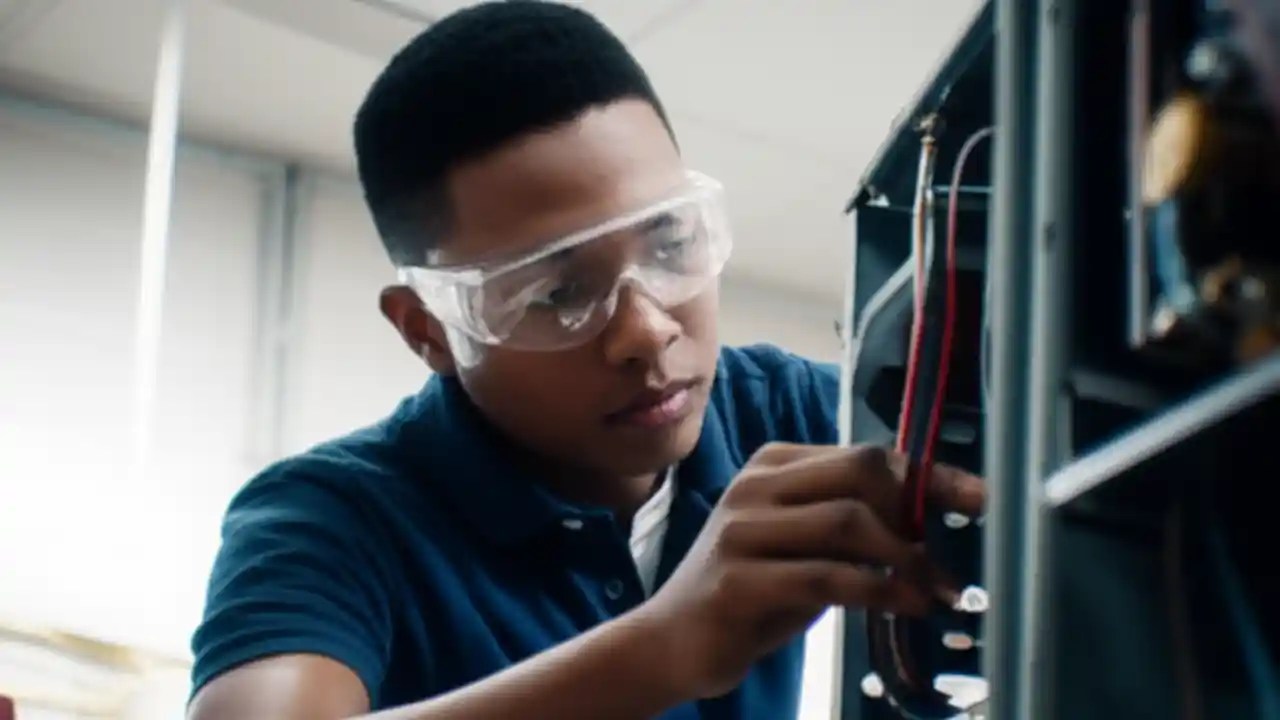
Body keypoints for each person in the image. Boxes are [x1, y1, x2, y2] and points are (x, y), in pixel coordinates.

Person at [185, 3, 984, 719]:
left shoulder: (787, 416)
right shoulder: (332, 522)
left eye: (671, 243)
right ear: (429, 331)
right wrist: (664, 646)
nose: (646, 331)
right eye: (555, 293)